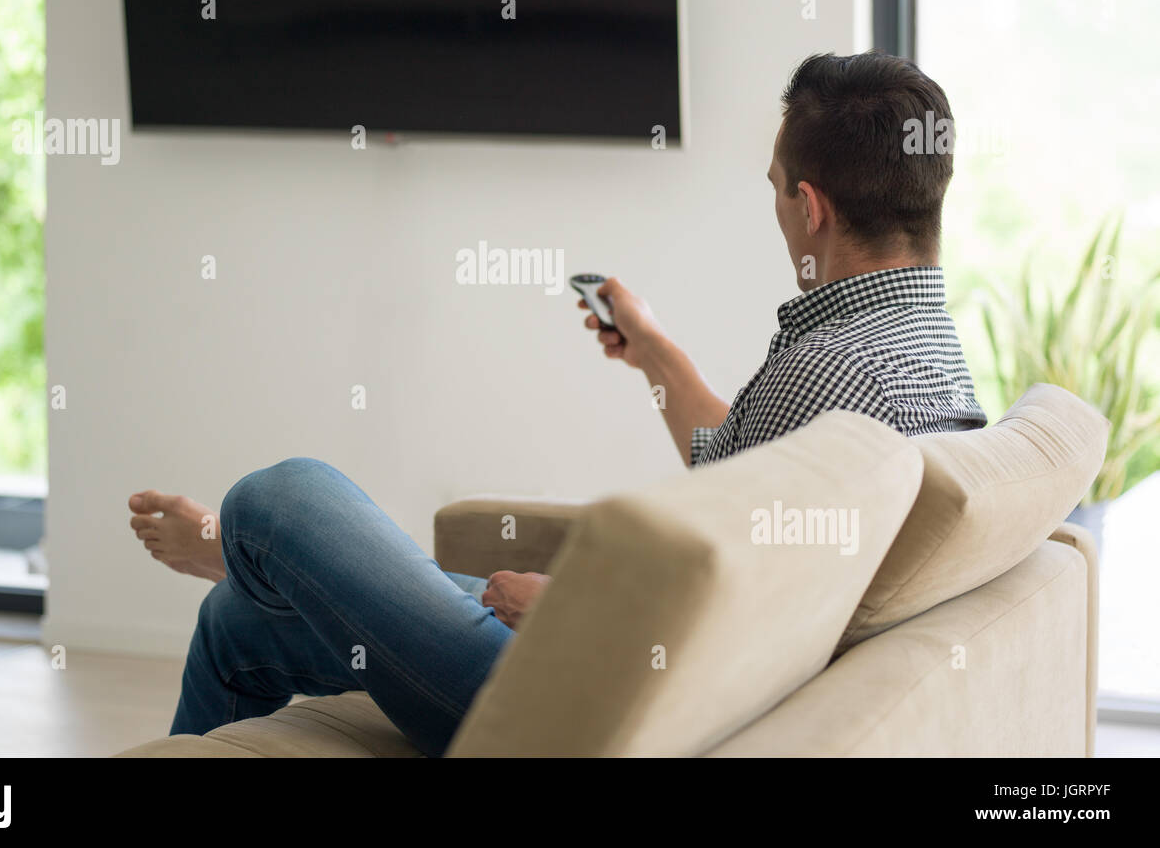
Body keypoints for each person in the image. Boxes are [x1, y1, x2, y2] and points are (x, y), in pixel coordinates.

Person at [129, 51, 986, 757]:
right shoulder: (921, 350)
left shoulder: (830, 369)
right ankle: (258, 573)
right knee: (236, 622)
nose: (774, 205)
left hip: (596, 706)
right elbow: (738, 481)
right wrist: (649, 349)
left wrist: (576, 613)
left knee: (283, 496)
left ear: (811, 207)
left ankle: (243, 547)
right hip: (643, 681)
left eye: (774, 187)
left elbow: (749, 621)